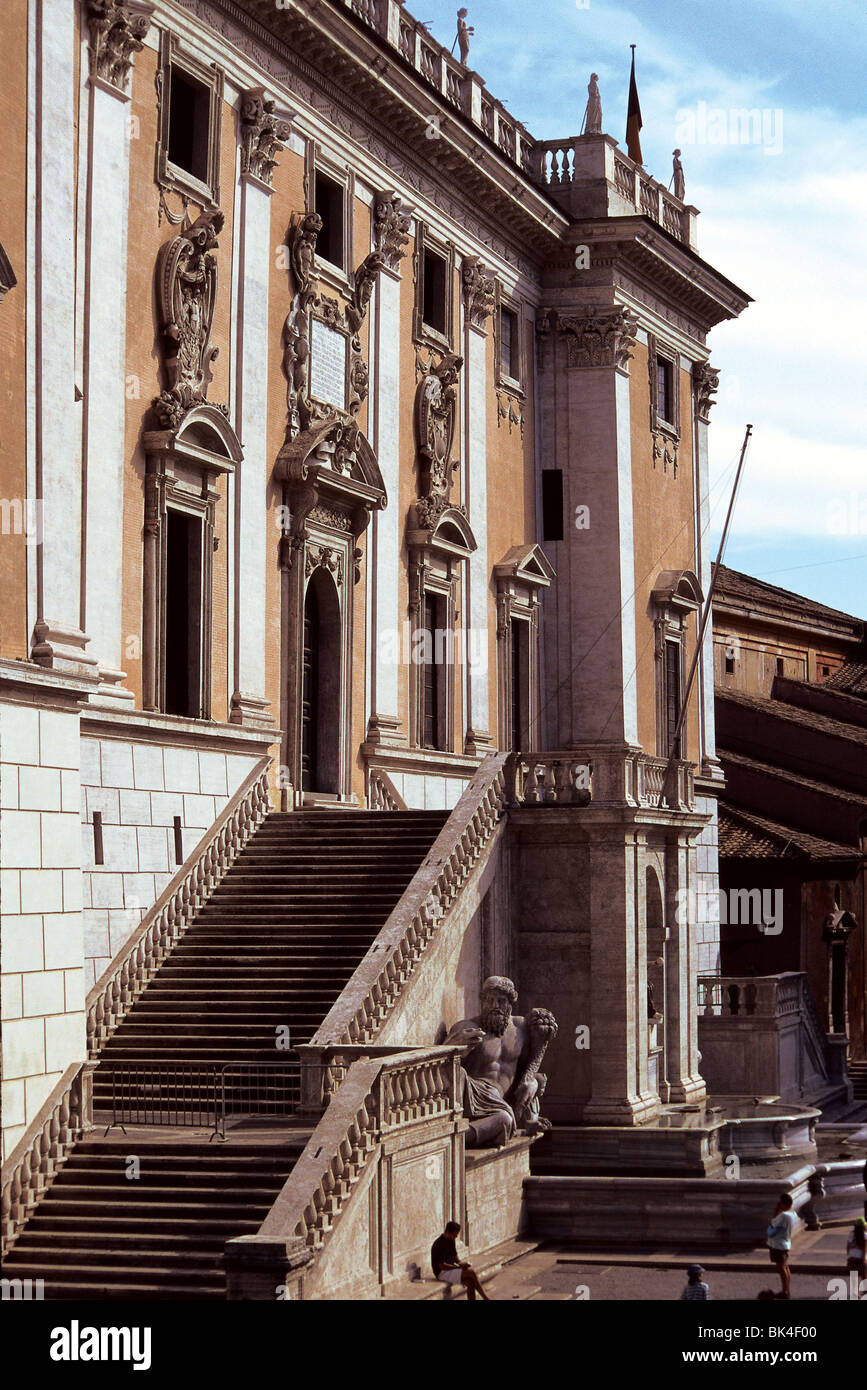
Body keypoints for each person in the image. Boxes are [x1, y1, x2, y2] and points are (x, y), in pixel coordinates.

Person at [430, 1221, 491, 1300]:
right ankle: (486, 1298)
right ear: (448, 1232)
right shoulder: (439, 1244)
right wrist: (457, 1267)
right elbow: (442, 1266)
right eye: (454, 1234)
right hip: (441, 1272)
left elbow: (456, 1258)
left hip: (451, 1269)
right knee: (471, 1272)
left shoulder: (451, 1240)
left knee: (470, 1283)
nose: (456, 1236)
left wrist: (462, 1264)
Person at [767, 1192, 799, 1299]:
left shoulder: (784, 1215)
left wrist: (776, 1212)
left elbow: (772, 1223)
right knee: (785, 1267)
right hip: (785, 1243)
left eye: (780, 1202)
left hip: (778, 1245)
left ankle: (785, 1291)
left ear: (784, 1203)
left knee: (781, 1268)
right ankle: (787, 1290)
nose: (779, 1204)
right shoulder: (792, 1213)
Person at [846, 1217, 866, 1281]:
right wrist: (864, 1259)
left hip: (852, 1258)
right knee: (864, 1277)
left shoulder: (851, 1234)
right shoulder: (865, 1235)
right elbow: (864, 1248)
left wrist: (849, 1257)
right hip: (861, 1258)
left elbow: (847, 1247)